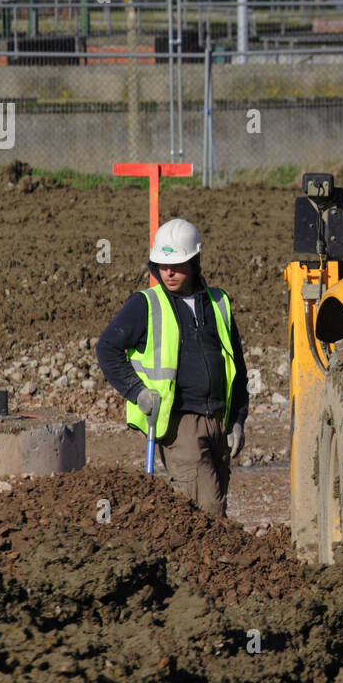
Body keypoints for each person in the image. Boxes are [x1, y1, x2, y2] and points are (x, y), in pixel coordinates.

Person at [96, 218, 249, 517]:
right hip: (179, 424)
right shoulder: (145, 304)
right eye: (162, 265)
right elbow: (107, 348)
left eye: (177, 265)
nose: (168, 272)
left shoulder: (218, 302)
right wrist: (137, 391)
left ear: (194, 262)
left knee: (215, 504)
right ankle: (204, 562)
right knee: (207, 510)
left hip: (218, 419)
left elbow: (237, 367)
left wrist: (238, 419)